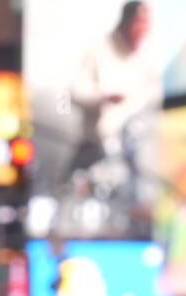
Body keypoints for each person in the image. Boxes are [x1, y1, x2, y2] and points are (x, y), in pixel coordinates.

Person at [68, 1, 161, 175]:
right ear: (127, 23)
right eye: (139, 23)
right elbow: (75, 93)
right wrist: (102, 98)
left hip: (134, 150)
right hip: (97, 149)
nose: (143, 30)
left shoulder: (146, 58)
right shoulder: (99, 51)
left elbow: (153, 96)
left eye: (146, 25)